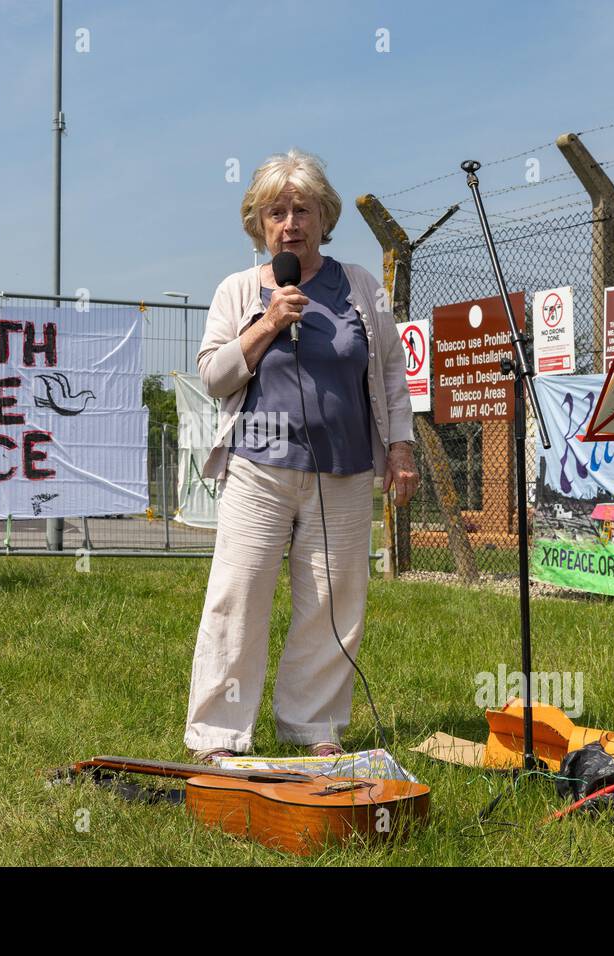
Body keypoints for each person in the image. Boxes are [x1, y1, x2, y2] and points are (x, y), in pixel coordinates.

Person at [185, 149, 418, 764]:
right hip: (258, 468)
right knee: (238, 598)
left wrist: (400, 445)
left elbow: (391, 370)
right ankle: (216, 738)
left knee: (333, 603)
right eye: (276, 212)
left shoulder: (361, 286)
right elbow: (214, 374)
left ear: (324, 217)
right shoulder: (238, 291)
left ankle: (313, 727)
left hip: (343, 472)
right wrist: (264, 326)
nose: (290, 223)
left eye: (302, 209)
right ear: (259, 224)